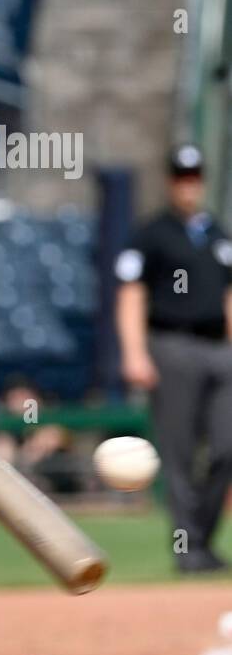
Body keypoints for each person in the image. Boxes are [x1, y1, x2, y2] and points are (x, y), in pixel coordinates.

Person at [115, 145, 232, 573]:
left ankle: (201, 537)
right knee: (180, 455)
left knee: (227, 446)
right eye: (182, 176)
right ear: (170, 181)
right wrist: (134, 353)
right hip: (172, 346)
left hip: (220, 350)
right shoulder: (151, 234)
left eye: (196, 176)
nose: (189, 184)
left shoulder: (218, 236)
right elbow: (131, 294)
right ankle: (189, 550)